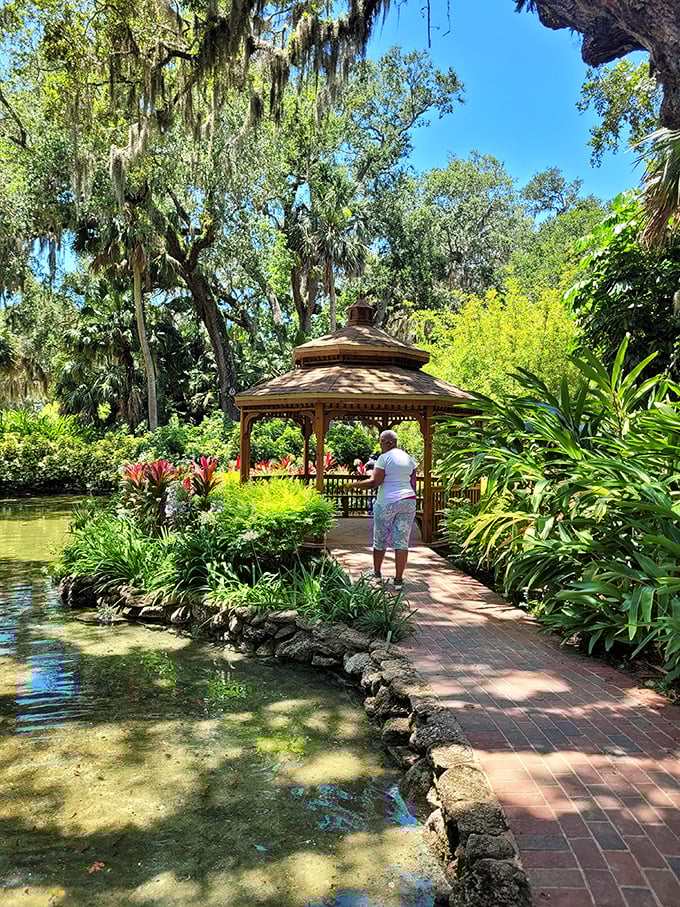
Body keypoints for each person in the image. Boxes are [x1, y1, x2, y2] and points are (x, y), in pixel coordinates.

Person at [346, 430, 417, 586]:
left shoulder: (384, 458)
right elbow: (413, 484)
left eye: (380, 442)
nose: (380, 446)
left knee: (380, 538)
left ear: (388, 442)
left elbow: (374, 482)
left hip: (387, 502)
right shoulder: (410, 459)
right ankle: (398, 580)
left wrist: (353, 485)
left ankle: (377, 573)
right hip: (408, 501)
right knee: (402, 542)